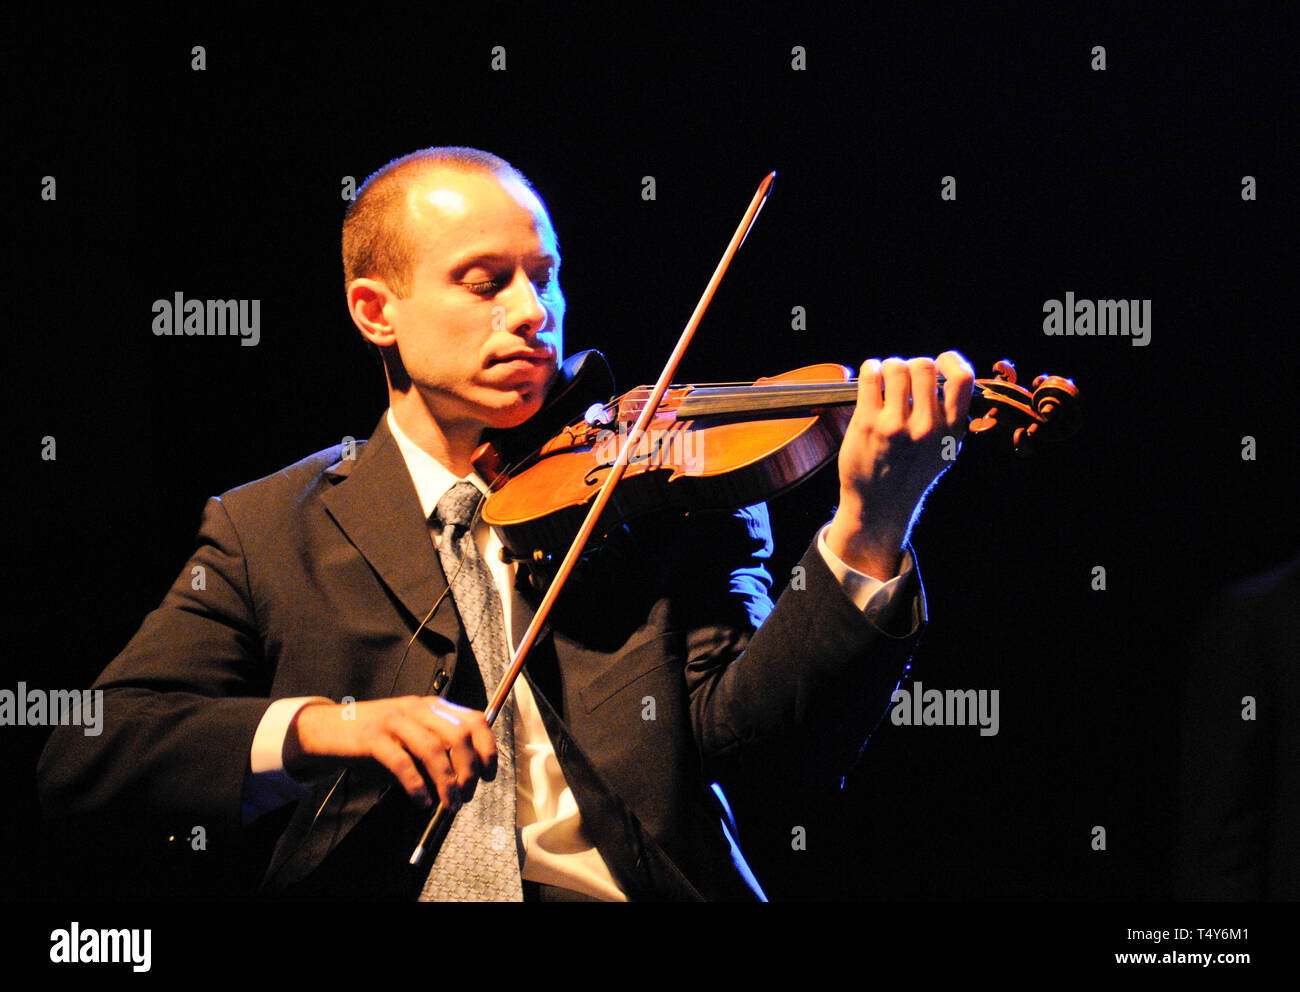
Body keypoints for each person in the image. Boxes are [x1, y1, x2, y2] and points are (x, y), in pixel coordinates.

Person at [37, 146, 974, 901]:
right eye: (487, 283)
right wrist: (327, 726)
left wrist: (868, 526)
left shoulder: (664, 482)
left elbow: (766, 753)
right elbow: (91, 750)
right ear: (377, 312)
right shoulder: (269, 528)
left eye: (546, 277)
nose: (535, 314)